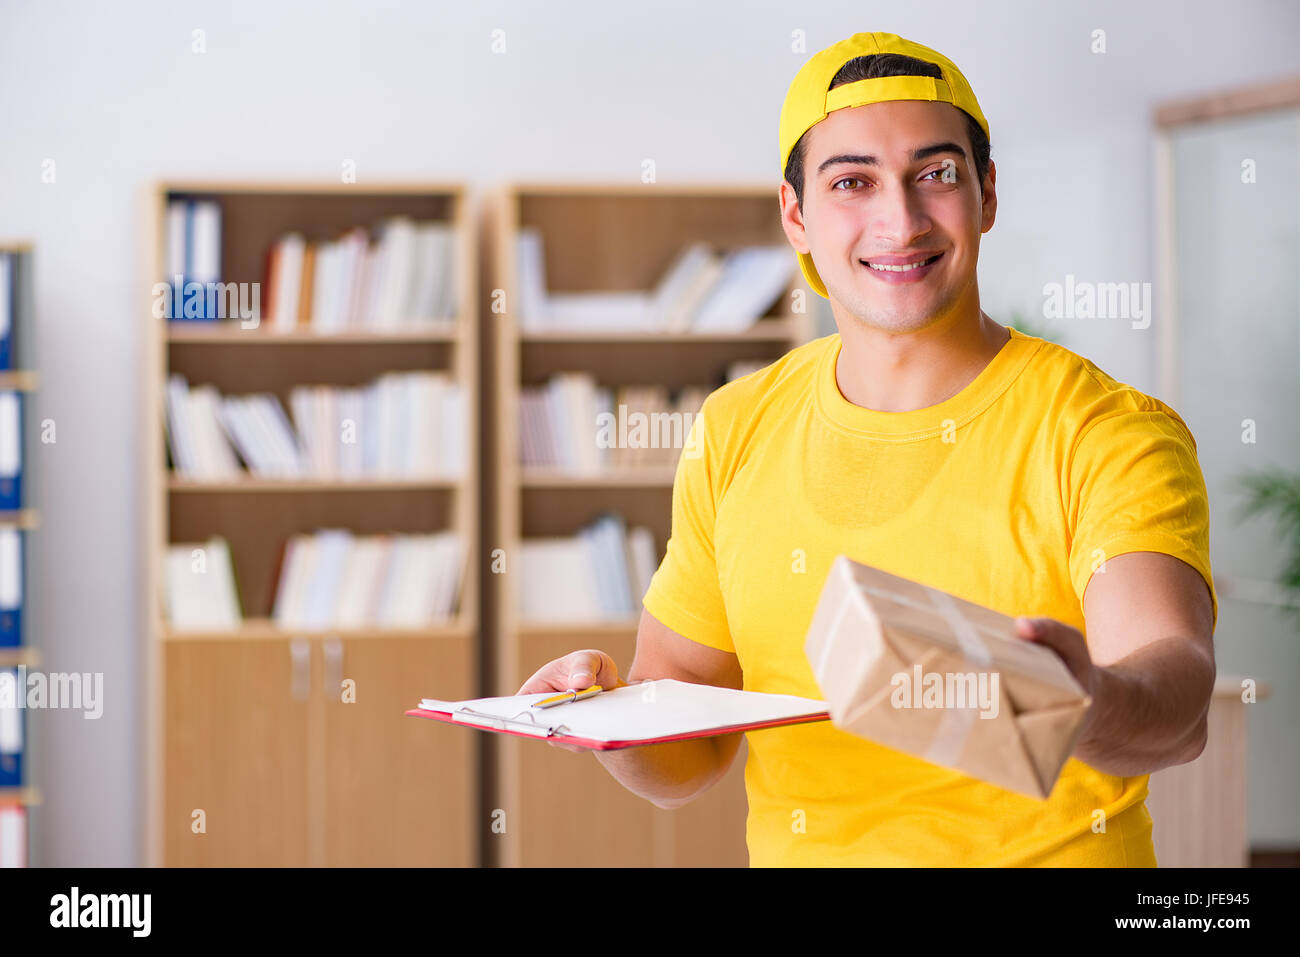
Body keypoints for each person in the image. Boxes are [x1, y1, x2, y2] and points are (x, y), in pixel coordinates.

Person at [518, 32, 1216, 866]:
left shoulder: (1105, 429)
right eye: (853, 181)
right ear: (796, 216)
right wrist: (601, 718)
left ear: (986, 193)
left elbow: (1174, 698)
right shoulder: (736, 426)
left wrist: (1084, 699)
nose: (901, 218)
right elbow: (690, 740)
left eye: (937, 173)